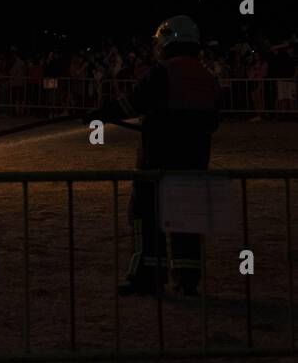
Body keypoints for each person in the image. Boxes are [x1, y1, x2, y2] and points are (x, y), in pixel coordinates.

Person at [90, 15, 219, 296]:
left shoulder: (163, 72)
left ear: (168, 40)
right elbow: (213, 121)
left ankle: (148, 275)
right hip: (195, 161)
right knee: (186, 219)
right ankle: (187, 279)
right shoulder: (207, 77)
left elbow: (133, 102)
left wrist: (104, 113)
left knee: (145, 215)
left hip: (158, 160)